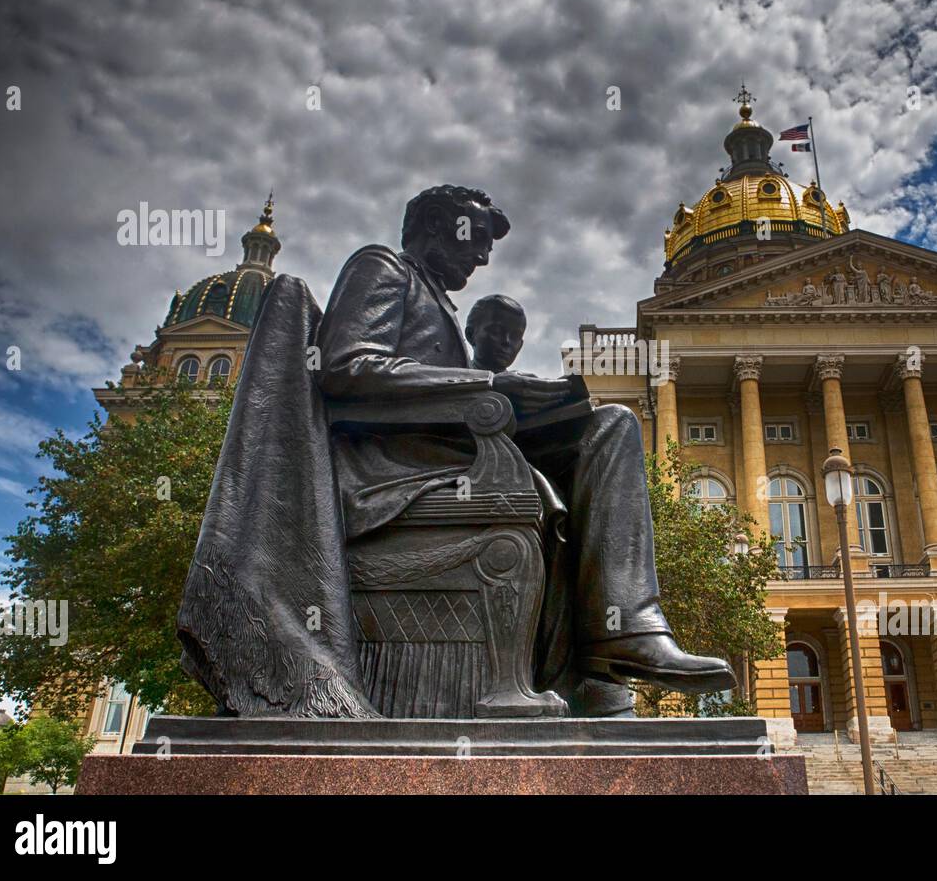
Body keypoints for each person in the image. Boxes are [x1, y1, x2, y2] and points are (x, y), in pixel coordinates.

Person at [314, 185, 736, 714]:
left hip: (450, 456)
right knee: (582, 453)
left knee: (609, 426)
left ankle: (620, 638)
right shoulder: (383, 268)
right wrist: (489, 385)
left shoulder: (436, 298)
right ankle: (598, 655)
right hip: (393, 473)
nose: (485, 255)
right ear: (436, 225)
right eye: (477, 238)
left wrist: (527, 402)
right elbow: (346, 370)